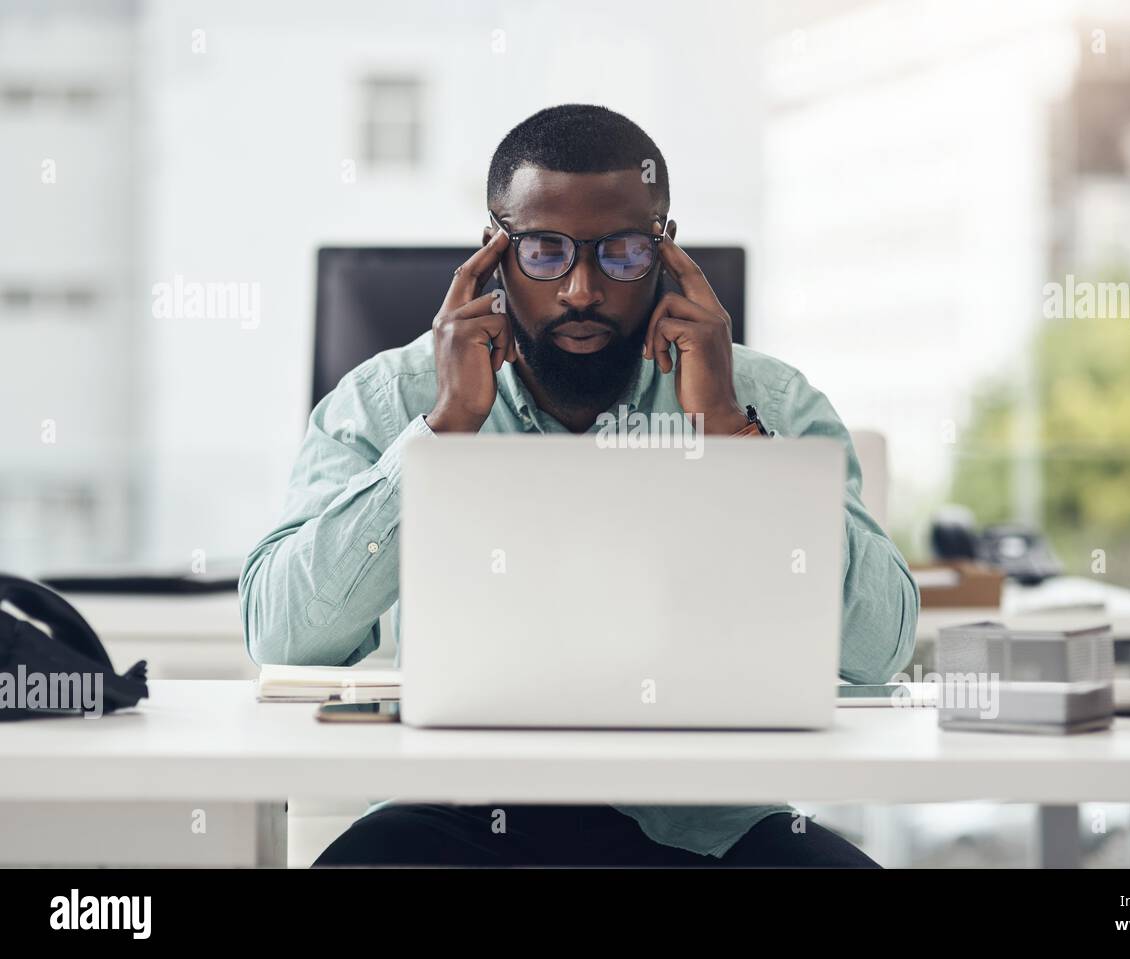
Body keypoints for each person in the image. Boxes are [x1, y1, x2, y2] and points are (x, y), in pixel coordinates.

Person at [240, 104, 918, 867]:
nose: (582, 289)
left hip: (706, 821)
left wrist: (731, 434)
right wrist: (441, 432)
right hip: (453, 815)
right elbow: (280, 637)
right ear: (492, 254)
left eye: (624, 251)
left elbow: (880, 648)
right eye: (544, 251)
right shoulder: (389, 399)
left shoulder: (768, 399)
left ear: (666, 252)